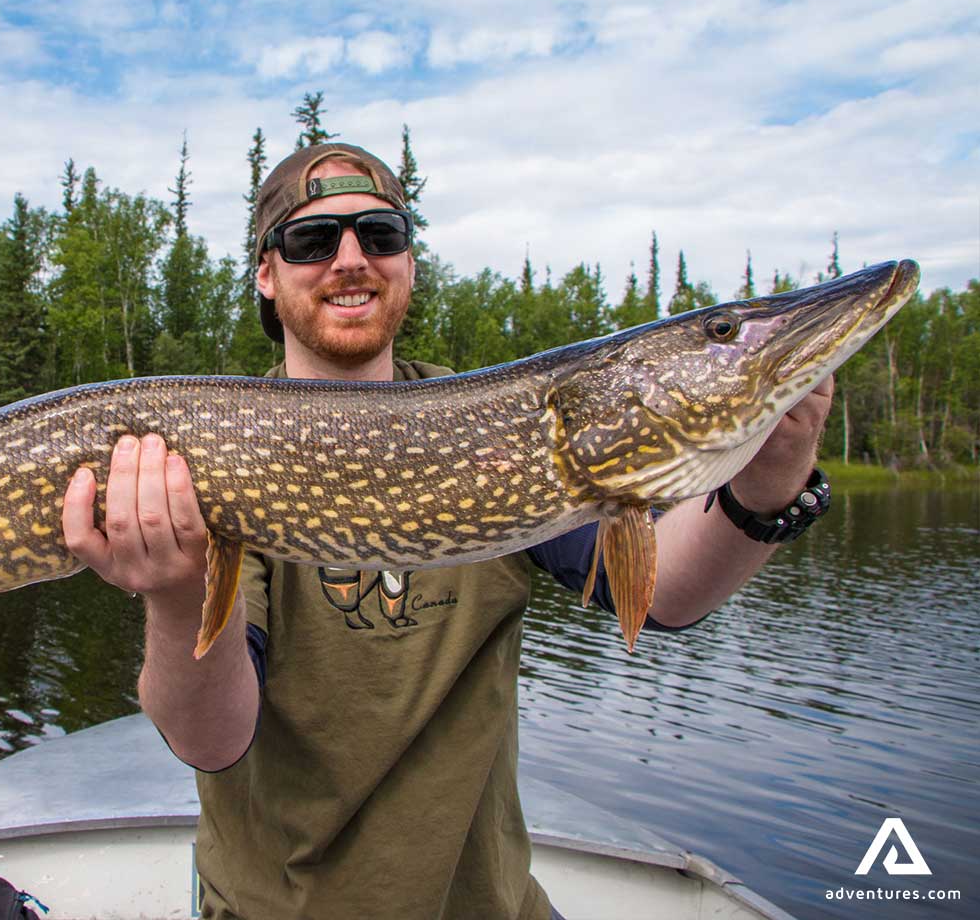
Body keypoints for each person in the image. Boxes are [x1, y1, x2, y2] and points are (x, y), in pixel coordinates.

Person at [60, 143, 833, 919]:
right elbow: (212, 739)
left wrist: (764, 490)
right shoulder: (223, 449)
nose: (351, 259)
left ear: (409, 263)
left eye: (381, 234)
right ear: (267, 274)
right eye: (312, 240)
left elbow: (663, 590)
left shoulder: (502, 430)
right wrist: (176, 595)